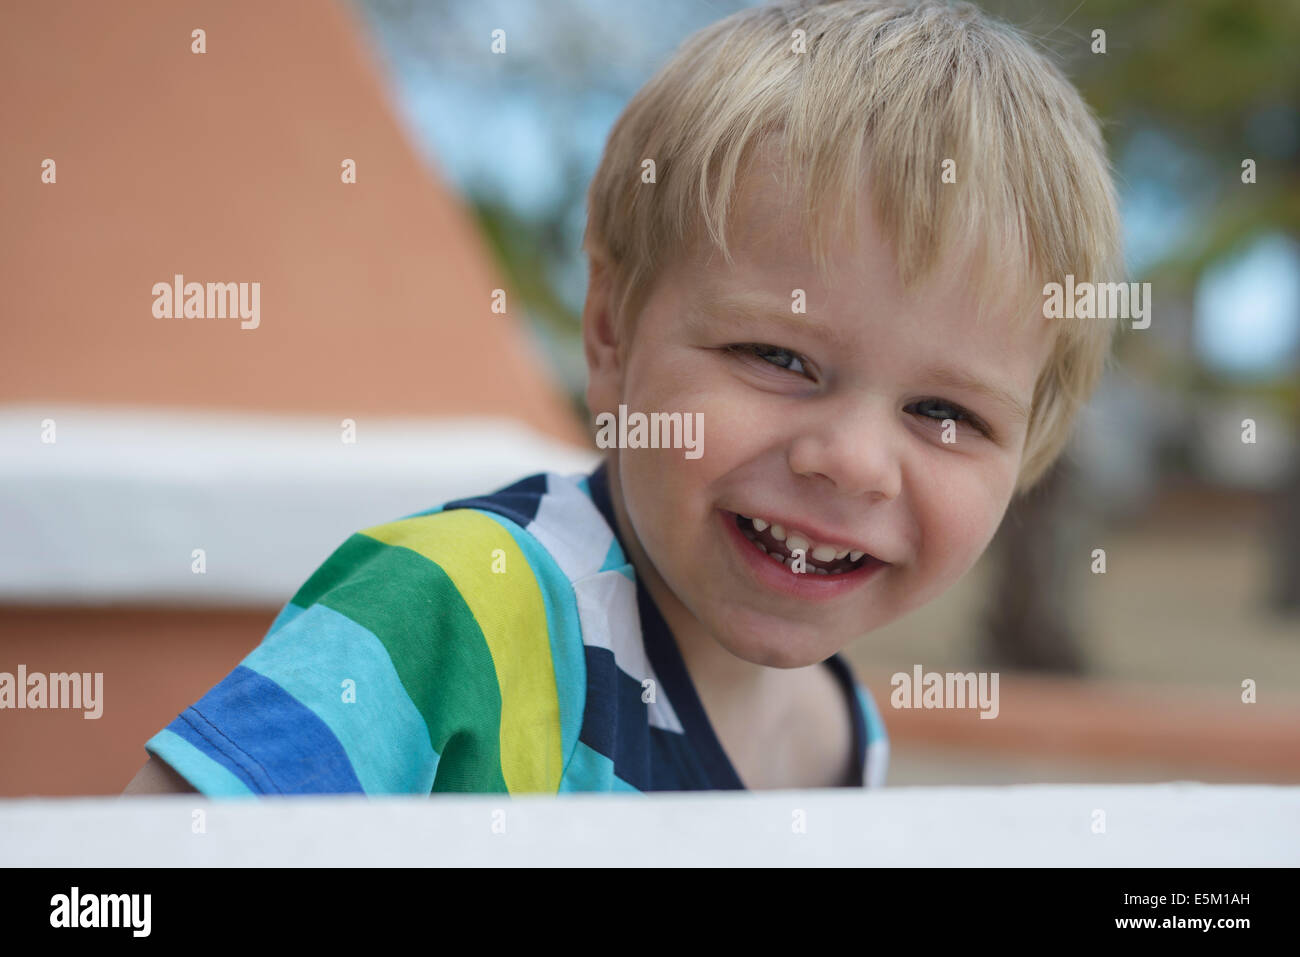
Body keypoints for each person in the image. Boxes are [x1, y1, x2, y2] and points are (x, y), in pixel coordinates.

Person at [124, 0, 1121, 796]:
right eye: (777, 356)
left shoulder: (841, 736)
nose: (852, 460)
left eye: (946, 415)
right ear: (609, 334)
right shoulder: (454, 608)